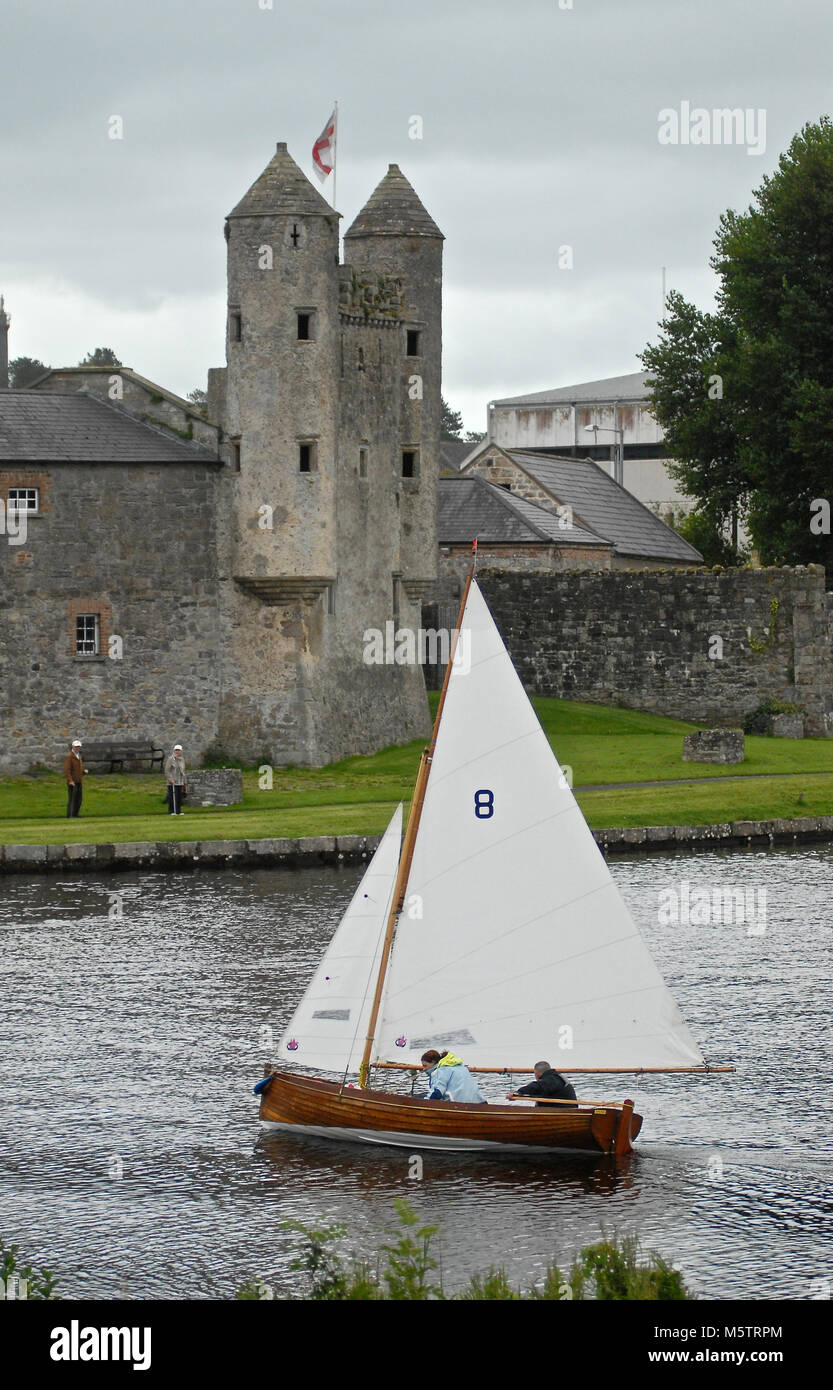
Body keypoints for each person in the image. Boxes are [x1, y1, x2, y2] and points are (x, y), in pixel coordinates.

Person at [420, 1049, 487, 1104]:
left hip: (459, 1105)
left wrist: (424, 1103)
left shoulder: (441, 1070)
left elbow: (438, 1092)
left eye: (425, 1065)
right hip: (481, 1103)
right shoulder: (462, 1067)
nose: (424, 1069)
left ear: (433, 1062)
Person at [506, 1060, 577, 1109]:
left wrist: (518, 1092)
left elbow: (536, 1087)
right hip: (562, 1110)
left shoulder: (551, 1079)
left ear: (537, 1073)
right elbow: (537, 1090)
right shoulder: (555, 1078)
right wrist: (520, 1095)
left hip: (564, 1112)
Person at [63, 739, 88, 818]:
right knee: (72, 799)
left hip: (79, 780)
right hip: (73, 781)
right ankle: (69, 815)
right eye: (76, 746)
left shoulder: (79, 755)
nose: (77, 748)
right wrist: (70, 780)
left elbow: (79, 767)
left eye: (79, 746)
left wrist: (84, 771)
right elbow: (67, 769)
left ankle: (75, 814)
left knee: (79, 799)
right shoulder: (69, 756)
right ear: (73, 747)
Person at [164, 744, 187, 815]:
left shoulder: (182, 759)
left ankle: (178, 811)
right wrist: (170, 779)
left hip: (180, 781)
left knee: (179, 797)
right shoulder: (171, 759)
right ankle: (171, 811)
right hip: (172, 781)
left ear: (181, 751)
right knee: (172, 797)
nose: (177, 751)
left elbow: (183, 770)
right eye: (176, 750)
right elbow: (167, 770)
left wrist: (184, 781)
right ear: (174, 751)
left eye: (179, 750)